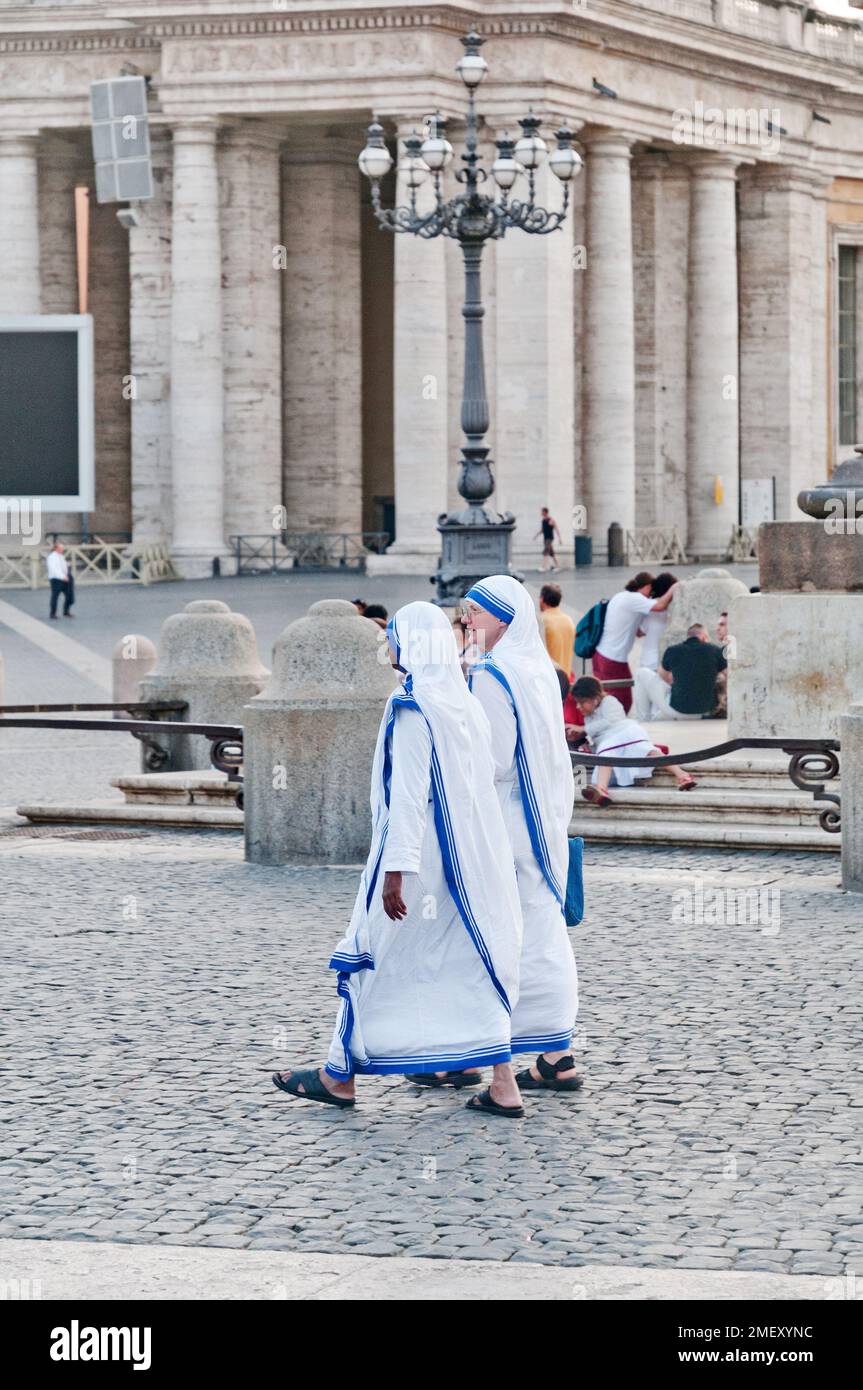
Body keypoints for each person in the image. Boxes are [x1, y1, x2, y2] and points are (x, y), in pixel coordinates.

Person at [272, 601, 526, 1117]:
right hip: (475, 859)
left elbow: (408, 795)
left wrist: (396, 871)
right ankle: (504, 1086)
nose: (385, 647)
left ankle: (338, 1076)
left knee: (368, 955)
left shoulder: (411, 706)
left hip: (420, 863)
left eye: (391, 638)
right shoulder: (463, 702)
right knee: (475, 961)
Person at [463, 575, 582, 1094]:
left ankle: (470, 1051)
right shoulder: (536, 669)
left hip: (505, 821)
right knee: (543, 926)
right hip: (544, 820)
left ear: (505, 620)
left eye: (476, 612)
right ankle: (556, 1054)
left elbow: (491, 761)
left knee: (495, 932)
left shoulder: (491, 673)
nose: (467, 620)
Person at [571, 675, 696, 806]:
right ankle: (683, 776)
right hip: (617, 745)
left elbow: (610, 722)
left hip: (625, 732)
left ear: (595, 699)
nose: (578, 707)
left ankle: (602, 788)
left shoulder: (609, 701)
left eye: (582, 702)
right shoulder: (589, 718)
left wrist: (583, 729)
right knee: (639, 752)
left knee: (646, 752)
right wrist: (584, 741)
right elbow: (598, 739)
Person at [592, 571, 678, 713]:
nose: (650, 595)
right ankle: (616, 730)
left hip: (602, 654)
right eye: (650, 591)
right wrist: (674, 588)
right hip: (613, 658)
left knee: (608, 698)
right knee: (622, 701)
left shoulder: (622, 596)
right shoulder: (635, 598)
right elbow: (660, 605)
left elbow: (639, 632)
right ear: (646, 586)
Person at [634, 622, 727, 722]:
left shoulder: (673, 650)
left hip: (677, 709)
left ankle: (644, 721)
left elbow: (663, 677)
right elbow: (729, 675)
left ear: (688, 636)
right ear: (704, 637)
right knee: (659, 716)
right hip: (705, 712)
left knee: (641, 673)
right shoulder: (715, 651)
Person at [637, 572, 677, 672]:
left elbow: (640, 632)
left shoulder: (651, 609)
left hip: (649, 662)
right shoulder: (677, 608)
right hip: (669, 664)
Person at [538, 583, 576, 672]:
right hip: (566, 677)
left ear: (542, 599)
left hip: (550, 677)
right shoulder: (568, 620)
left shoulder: (542, 621)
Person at [46, 540, 73, 619]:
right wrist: (62, 577)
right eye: (61, 548)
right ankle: (53, 613)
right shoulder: (52, 557)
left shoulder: (61, 556)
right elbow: (54, 569)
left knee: (69, 595)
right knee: (55, 596)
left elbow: (62, 566)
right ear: (56, 548)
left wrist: (67, 565)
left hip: (64, 578)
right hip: (56, 579)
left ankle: (66, 611)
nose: (63, 550)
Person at [534, 507, 562, 572]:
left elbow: (556, 529)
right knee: (552, 553)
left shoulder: (551, 520)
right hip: (545, 538)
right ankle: (558, 566)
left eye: (542, 512)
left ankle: (544, 567)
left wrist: (560, 539)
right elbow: (543, 530)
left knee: (545, 552)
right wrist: (536, 536)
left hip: (549, 538)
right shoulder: (543, 520)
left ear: (545, 512)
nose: (541, 513)